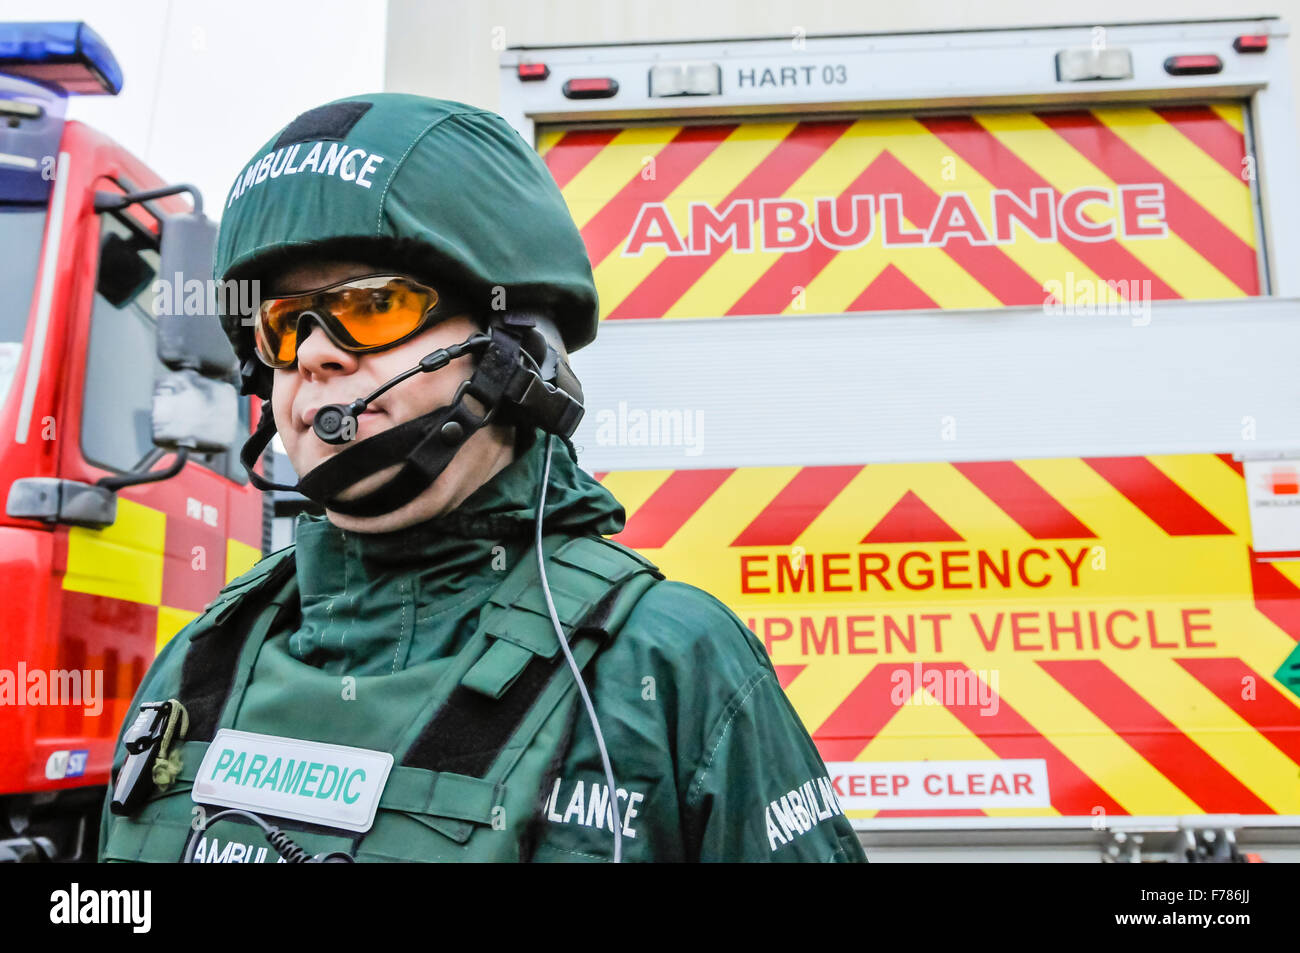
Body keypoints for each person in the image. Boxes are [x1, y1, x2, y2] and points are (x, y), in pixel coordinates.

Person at [98, 93, 866, 863]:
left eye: (375, 304)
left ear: (513, 349)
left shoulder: (667, 662)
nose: (313, 355)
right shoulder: (205, 656)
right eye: (283, 323)